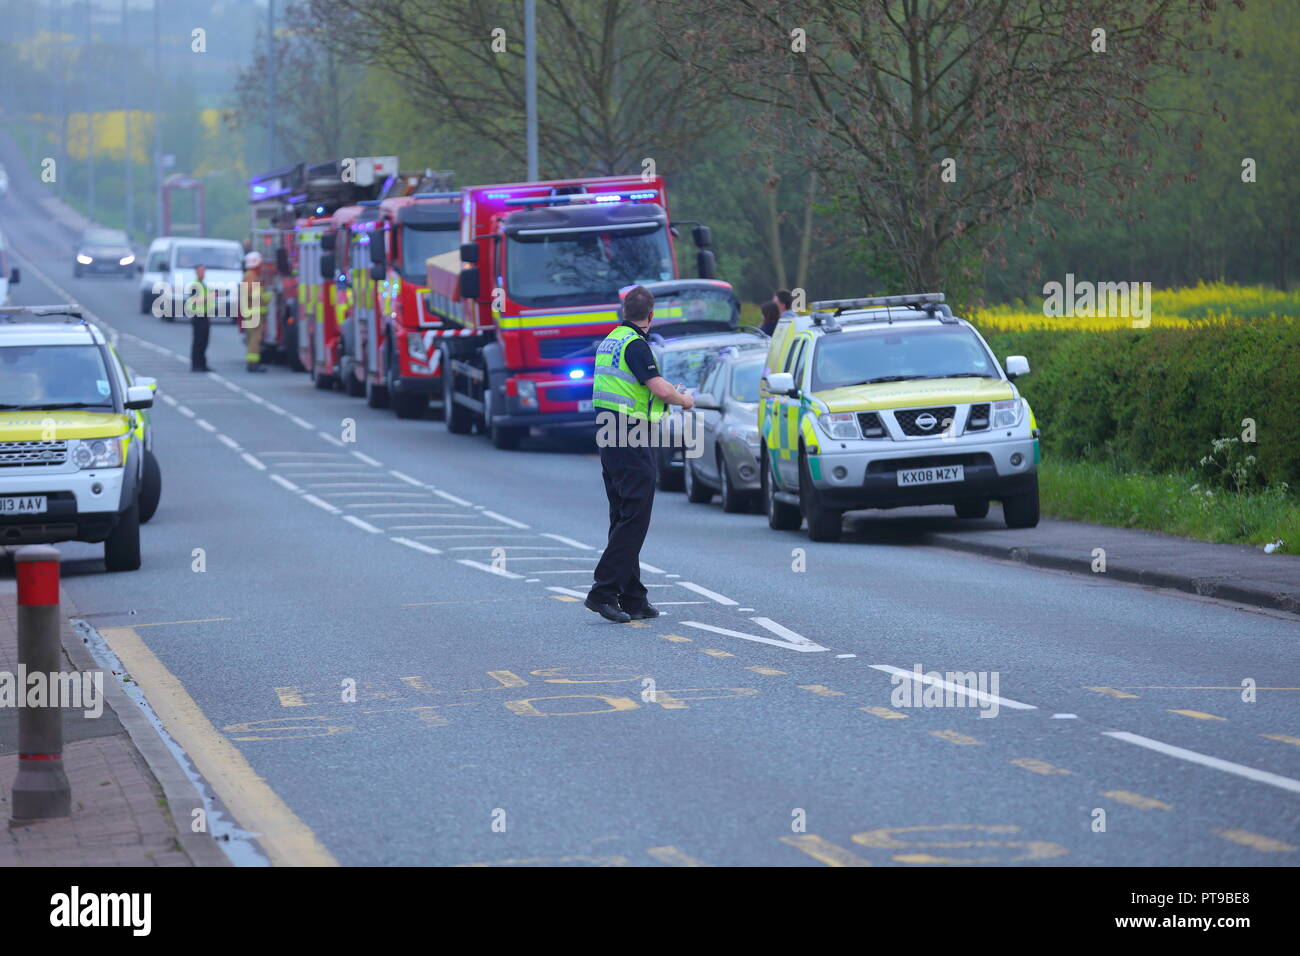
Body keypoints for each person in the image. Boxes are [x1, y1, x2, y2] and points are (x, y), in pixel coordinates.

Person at [585, 285, 694, 624]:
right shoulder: (636, 344)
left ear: (623, 311)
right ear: (651, 315)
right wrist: (684, 399)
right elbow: (657, 386)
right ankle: (603, 592)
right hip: (629, 433)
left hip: (610, 430)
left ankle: (633, 597)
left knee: (623, 513)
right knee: (635, 515)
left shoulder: (611, 340)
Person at [242, 251, 267, 372]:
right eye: (260, 264)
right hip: (254, 313)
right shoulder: (251, 275)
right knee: (255, 339)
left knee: (252, 338)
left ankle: (252, 362)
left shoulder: (249, 274)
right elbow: (253, 293)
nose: (262, 267)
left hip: (252, 312)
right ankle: (253, 364)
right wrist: (266, 296)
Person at [189, 264, 214, 372]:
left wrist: (209, 317)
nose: (203, 273)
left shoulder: (203, 285)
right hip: (197, 317)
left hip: (204, 316)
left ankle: (202, 364)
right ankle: (196, 365)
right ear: (196, 272)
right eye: (200, 271)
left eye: (204, 271)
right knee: (198, 342)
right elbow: (195, 301)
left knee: (204, 341)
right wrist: (211, 296)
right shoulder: (195, 285)